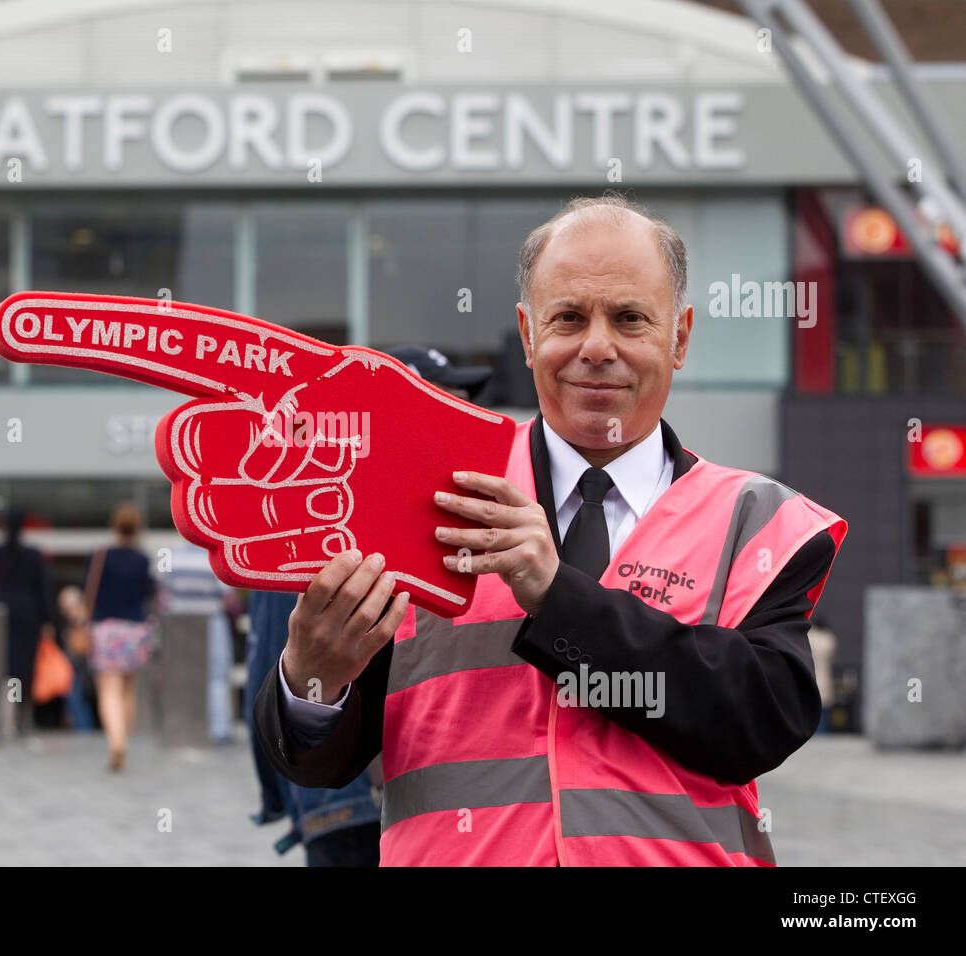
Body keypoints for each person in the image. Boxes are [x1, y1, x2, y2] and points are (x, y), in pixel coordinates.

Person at [255, 192, 848, 866]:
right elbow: (321, 760)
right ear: (529, 332)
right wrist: (311, 684)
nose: (598, 348)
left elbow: (761, 724)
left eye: (629, 319)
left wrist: (556, 596)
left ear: (679, 337)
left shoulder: (758, 520)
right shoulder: (425, 497)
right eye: (568, 317)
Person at [246, 590, 383, 866]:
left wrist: (275, 791)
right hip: (395, 784)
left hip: (327, 791)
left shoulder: (282, 557)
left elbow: (264, 667)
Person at [85, 502, 156, 771]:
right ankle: (122, 739)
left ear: (113, 526)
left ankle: (116, 742)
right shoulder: (142, 559)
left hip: (106, 630)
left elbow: (87, 594)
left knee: (109, 689)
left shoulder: (100, 556)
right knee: (128, 690)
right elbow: (149, 595)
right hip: (135, 630)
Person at [0, 508, 52, 737]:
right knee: (23, 671)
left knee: (1, 668)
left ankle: (2, 718)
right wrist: (46, 620)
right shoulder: (33, 555)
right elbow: (43, 590)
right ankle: (21, 719)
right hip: (27, 617)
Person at [163, 541, 238, 744]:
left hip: (179, 626)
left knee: (181, 677)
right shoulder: (215, 557)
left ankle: (182, 726)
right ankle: (219, 729)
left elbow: (162, 595)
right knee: (217, 676)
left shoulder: (170, 556)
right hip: (212, 622)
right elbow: (229, 597)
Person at [57, 585, 96, 731]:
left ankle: (84, 729)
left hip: (79, 663)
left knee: (75, 697)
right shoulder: (68, 618)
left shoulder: (81, 616)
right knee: (73, 698)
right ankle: (81, 727)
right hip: (72, 663)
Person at [807, 617, 838, 734]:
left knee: (811, 717)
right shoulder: (828, 639)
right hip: (825, 681)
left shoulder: (811, 637)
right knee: (823, 717)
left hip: (811, 680)